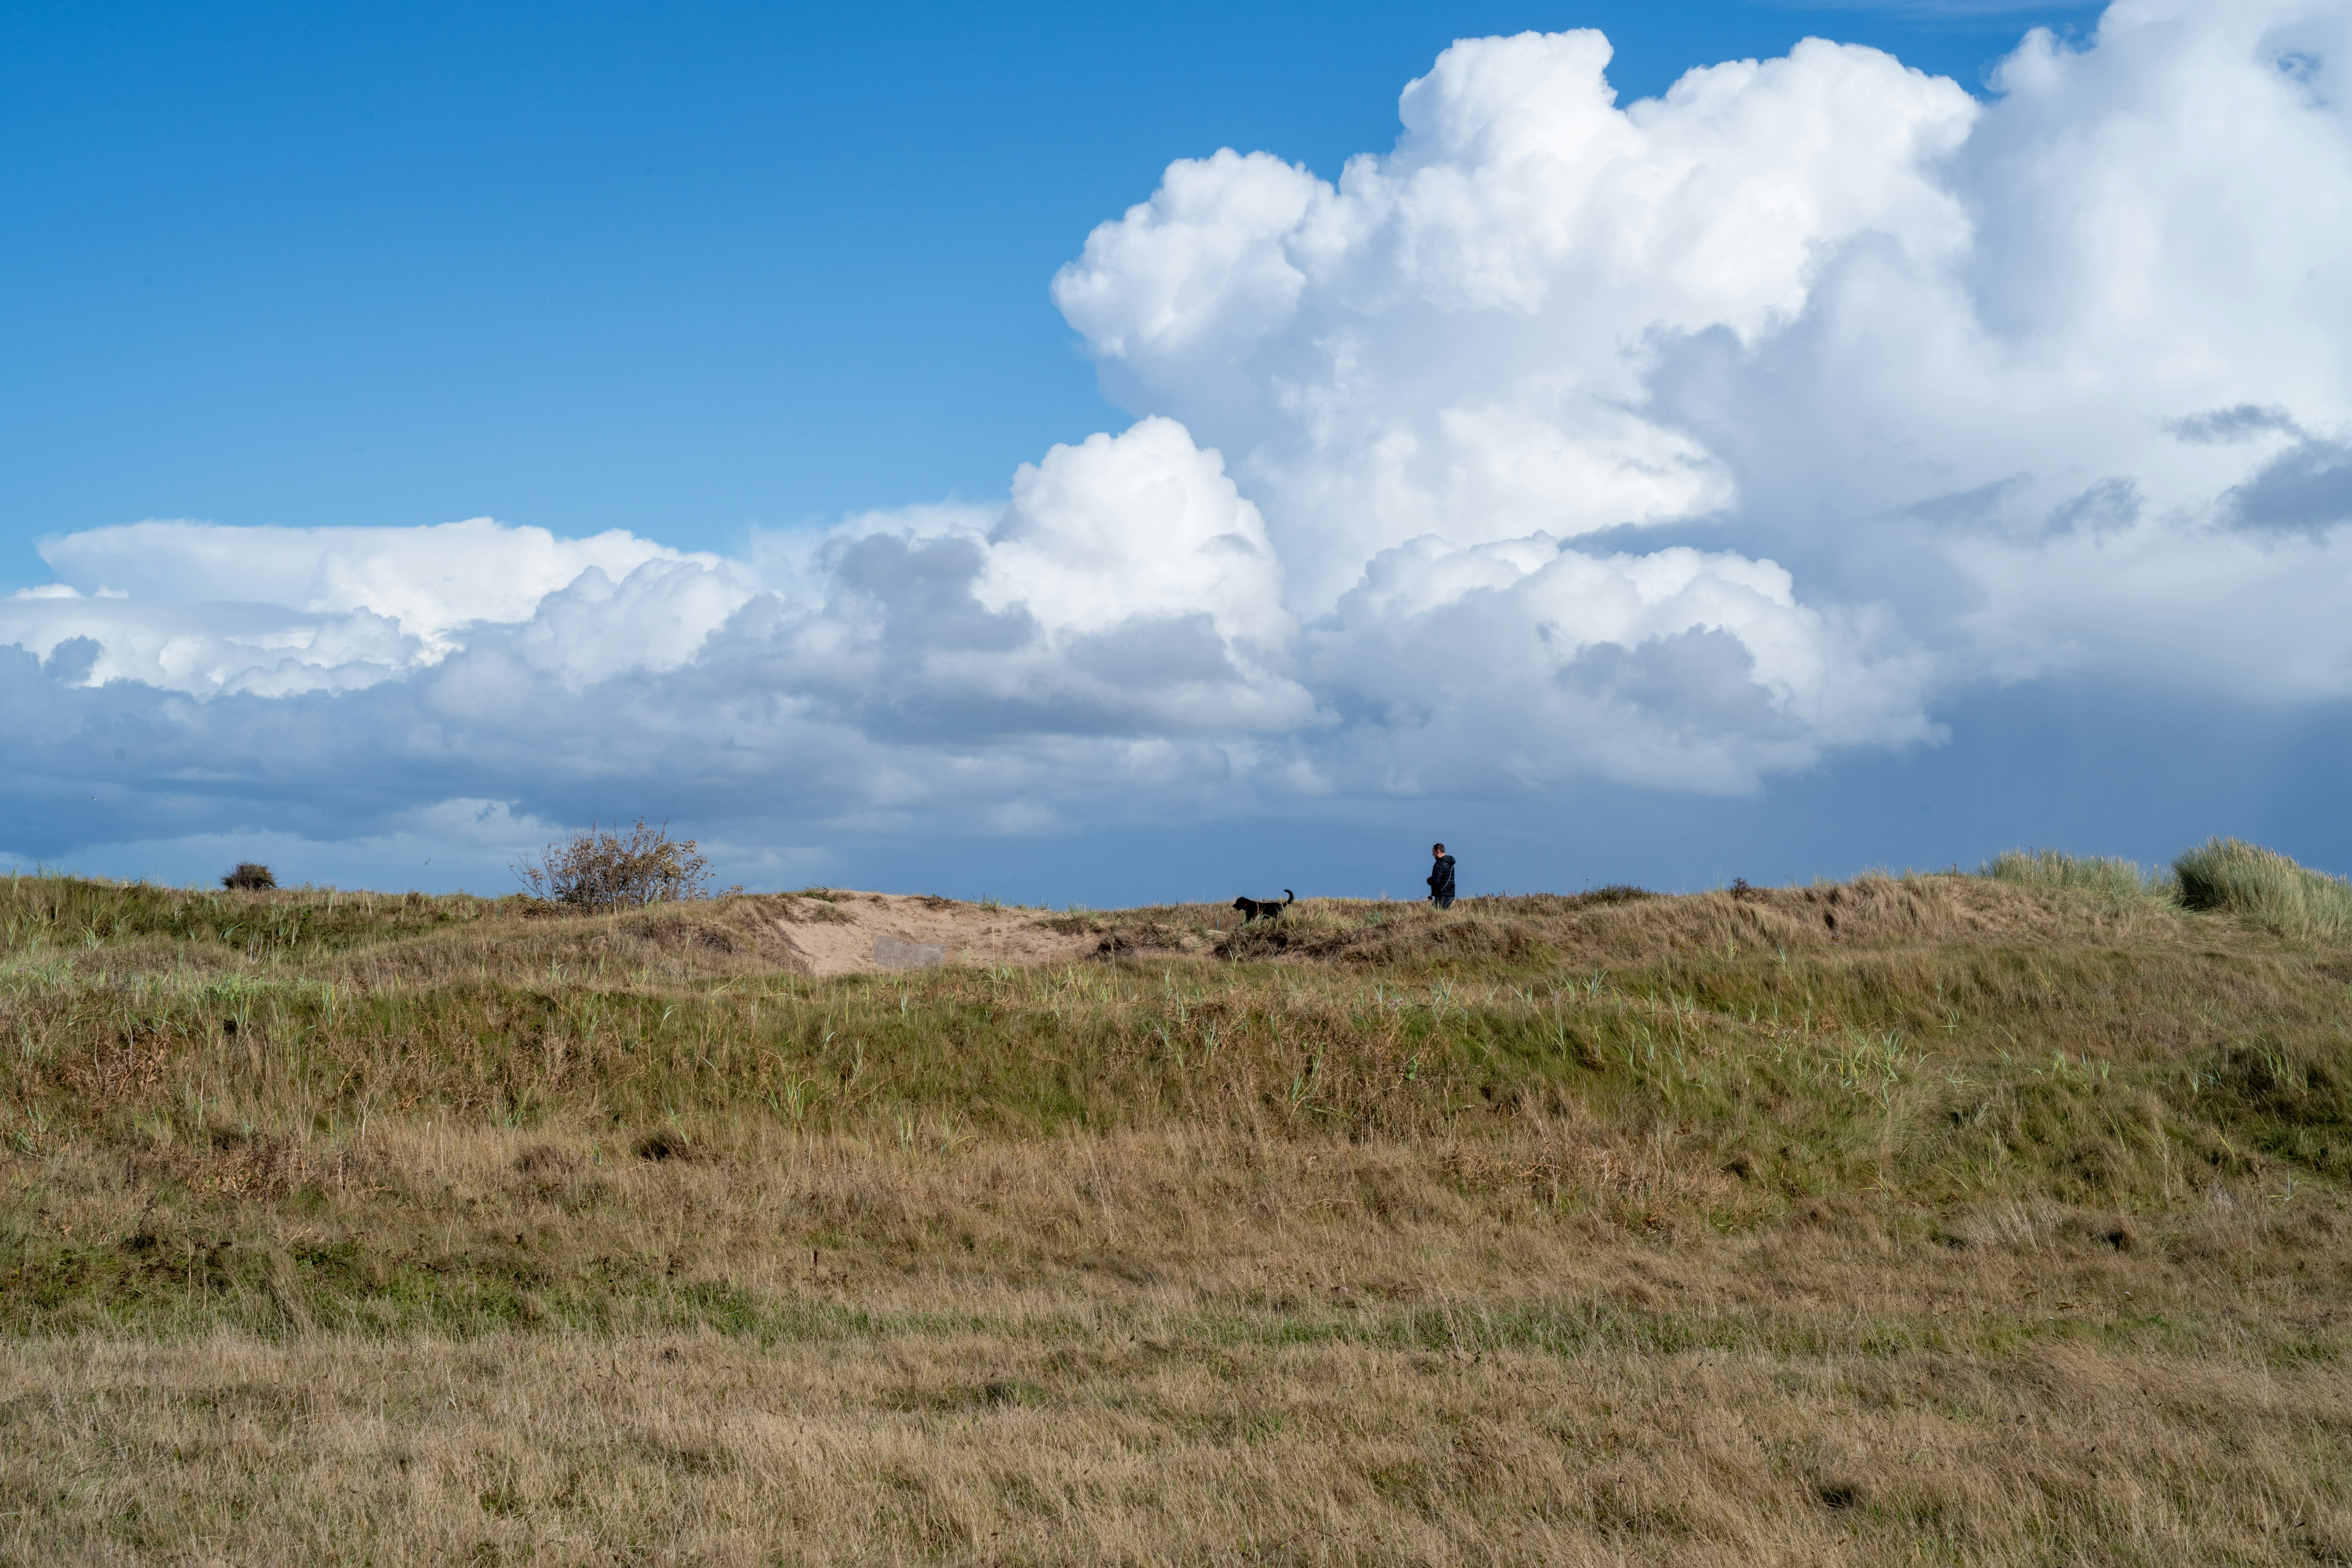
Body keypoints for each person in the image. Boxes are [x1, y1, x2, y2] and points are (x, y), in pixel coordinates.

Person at [1426, 842, 1456, 909]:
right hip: (1450, 894)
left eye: (1433, 852)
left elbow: (1436, 882)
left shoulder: (1439, 864)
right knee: (1436, 914)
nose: (1432, 855)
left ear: (1438, 852)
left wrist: (1429, 880)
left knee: (1434, 915)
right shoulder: (1450, 863)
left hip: (1443, 895)